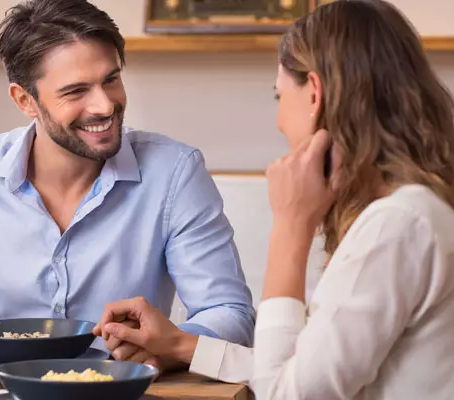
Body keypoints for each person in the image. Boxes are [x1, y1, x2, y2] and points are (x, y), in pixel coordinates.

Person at [93, 0, 454, 398]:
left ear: (314, 93)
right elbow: (307, 366)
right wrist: (181, 344)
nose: (280, 120)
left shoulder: (396, 226)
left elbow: (286, 393)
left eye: (279, 96)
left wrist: (289, 228)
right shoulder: (418, 210)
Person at [0, 0, 255, 367]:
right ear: (25, 100)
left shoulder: (174, 171)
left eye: (111, 79)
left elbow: (230, 315)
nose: (104, 105)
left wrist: (173, 345)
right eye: (76, 91)